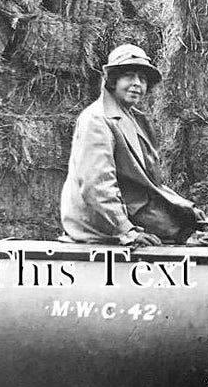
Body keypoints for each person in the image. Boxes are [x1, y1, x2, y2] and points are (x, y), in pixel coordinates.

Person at [61, 44, 199, 246]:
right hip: (100, 221)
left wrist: (185, 209)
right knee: (189, 235)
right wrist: (127, 230)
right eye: (129, 76)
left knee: (204, 229)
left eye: (142, 79)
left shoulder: (137, 120)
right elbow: (96, 184)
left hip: (133, 209)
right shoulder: (97, 119)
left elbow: (151, 184)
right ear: (113, 81)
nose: (137, 84)